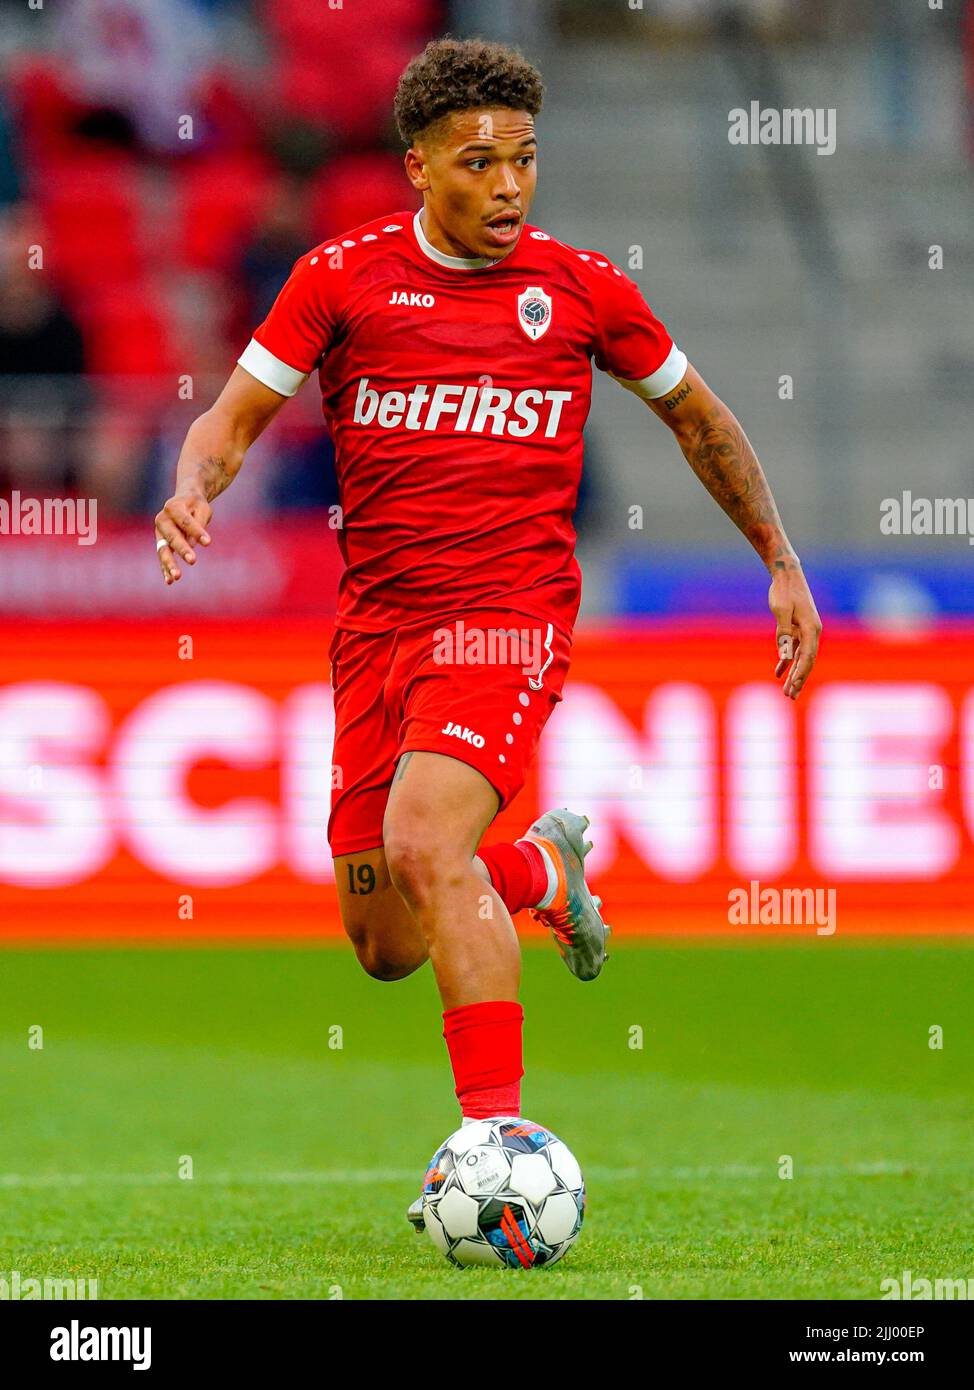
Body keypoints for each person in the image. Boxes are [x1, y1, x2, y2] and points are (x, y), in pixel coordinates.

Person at [154, 37, 821, 1230]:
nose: (509, 185)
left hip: (508, 620)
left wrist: (777, 558)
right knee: (384, 940)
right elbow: (234, 413)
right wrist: (195, 485)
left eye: (524, 159)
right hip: (378, 632)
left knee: (422, 836)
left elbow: (702, 420)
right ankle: (539, 870)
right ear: (417, 166)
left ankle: (491, 1144)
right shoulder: (342, 278)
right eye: (479, 162)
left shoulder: (577, 290)